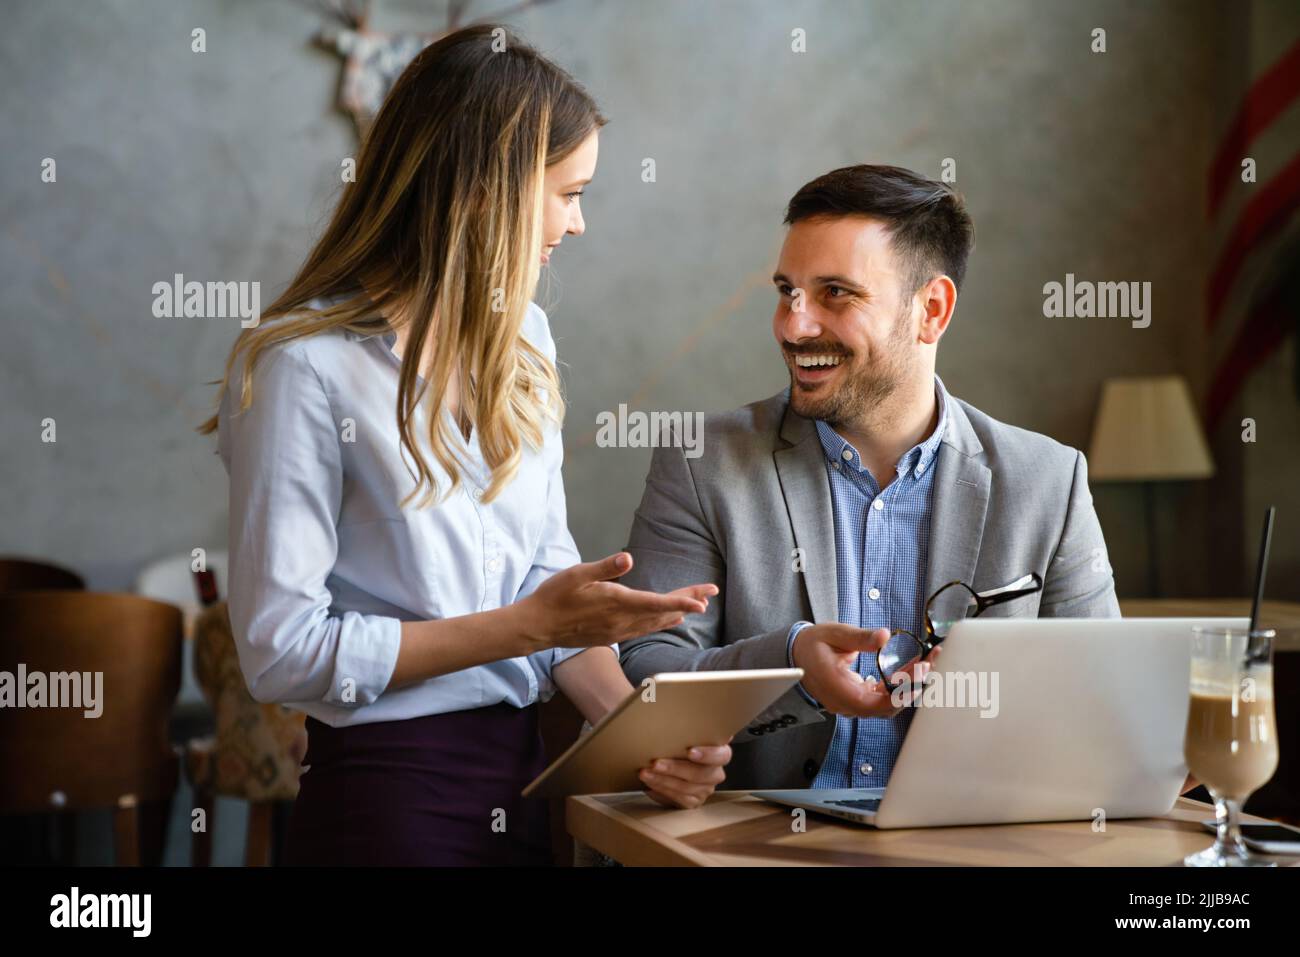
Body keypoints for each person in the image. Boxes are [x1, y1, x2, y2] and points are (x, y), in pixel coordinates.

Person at [200, 24, 730, 866]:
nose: (579, 223)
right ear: (488, 188)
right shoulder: (304, 367)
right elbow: (283, 651)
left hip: (523, 781)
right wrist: (524, 626)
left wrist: (638, 731)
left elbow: (539, 582)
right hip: (386, 798)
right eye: (567, 192)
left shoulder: (526, 338)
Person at [617, 164, 1122, 790]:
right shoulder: (703, 462)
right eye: (786, 291)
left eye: (835, 292)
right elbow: (643, 671)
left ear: (930, 311)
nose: (793, 325)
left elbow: (1103, 703)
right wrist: (792, 660)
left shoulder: (1049, 481)